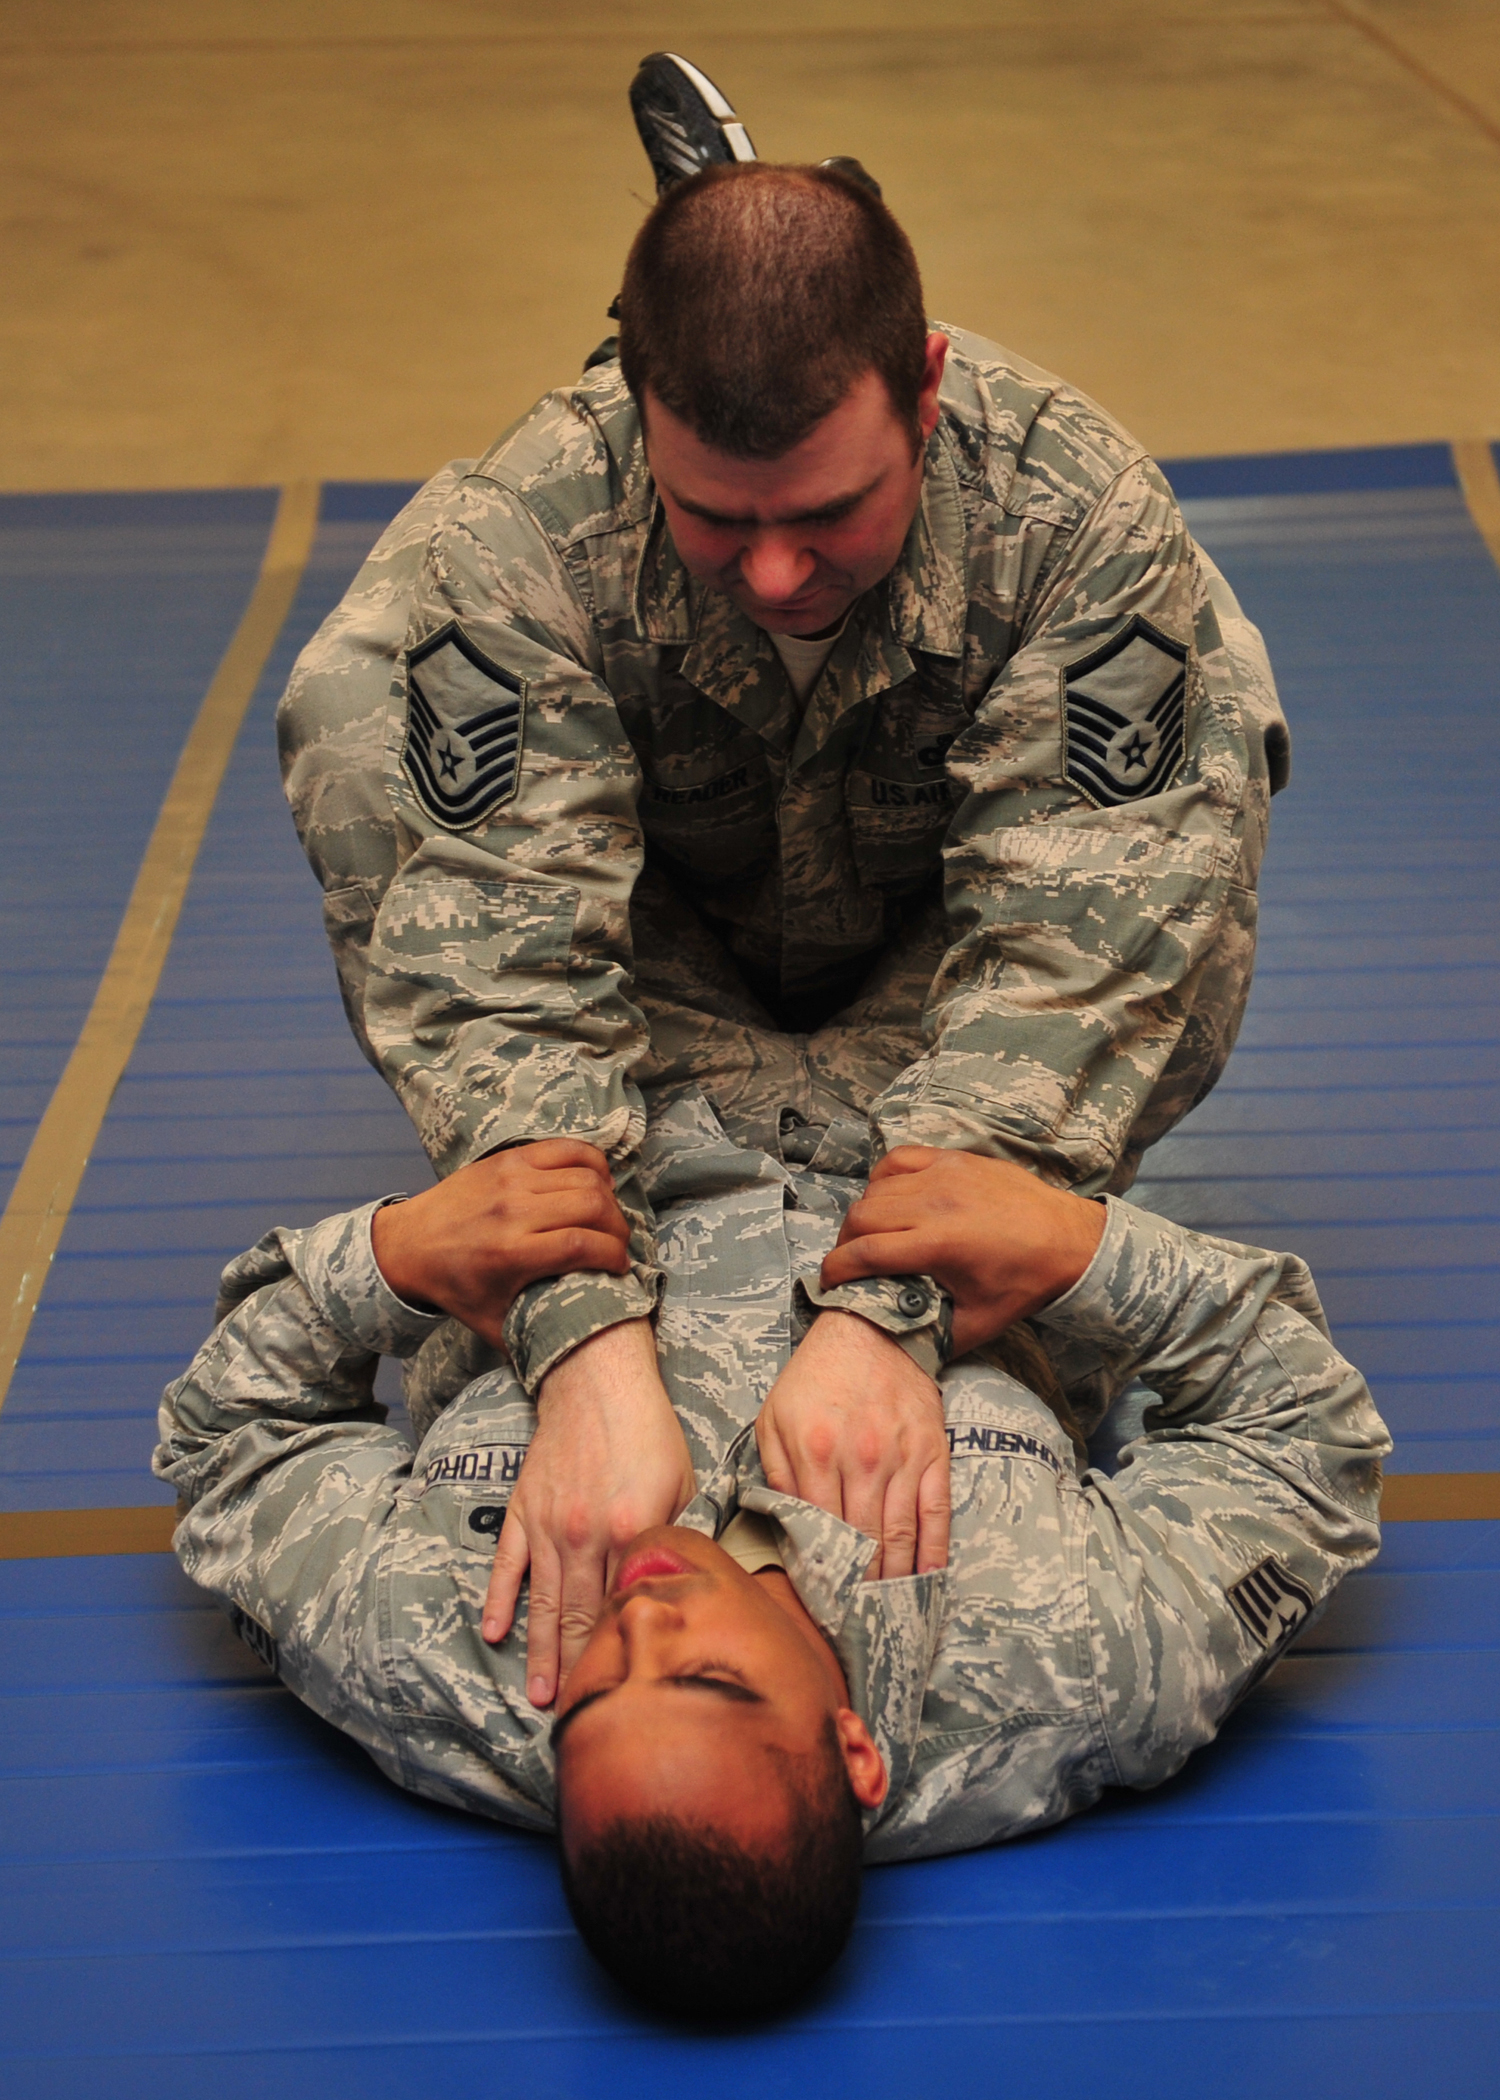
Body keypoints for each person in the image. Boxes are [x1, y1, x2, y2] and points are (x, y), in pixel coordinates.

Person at [275, 58, 1291, 1712]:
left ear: (929, 390)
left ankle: (740, 228)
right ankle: (715, 248)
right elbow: (492, 964)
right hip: (655, 978)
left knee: (1201, 739)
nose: (770, 573)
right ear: (637, 421)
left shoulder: (1078, 518)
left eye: (830, 513)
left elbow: (1084, 946)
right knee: (371, 713)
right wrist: (580, 1335)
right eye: (710, 516)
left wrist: (896, 1307)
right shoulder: (515, 532)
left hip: (934, 968)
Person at [155, 1116, 1387, 2021]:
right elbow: (1307, 1448)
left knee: (395, 768)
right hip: (951, 1090)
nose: (638, 1622)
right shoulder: (1084, 1663)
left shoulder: (425, 1654)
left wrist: (396, 1255)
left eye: (591, 1695)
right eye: (705, 1681)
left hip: (600, 1075)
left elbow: (229, 1444)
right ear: (856, 1751)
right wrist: (1078, 1248)